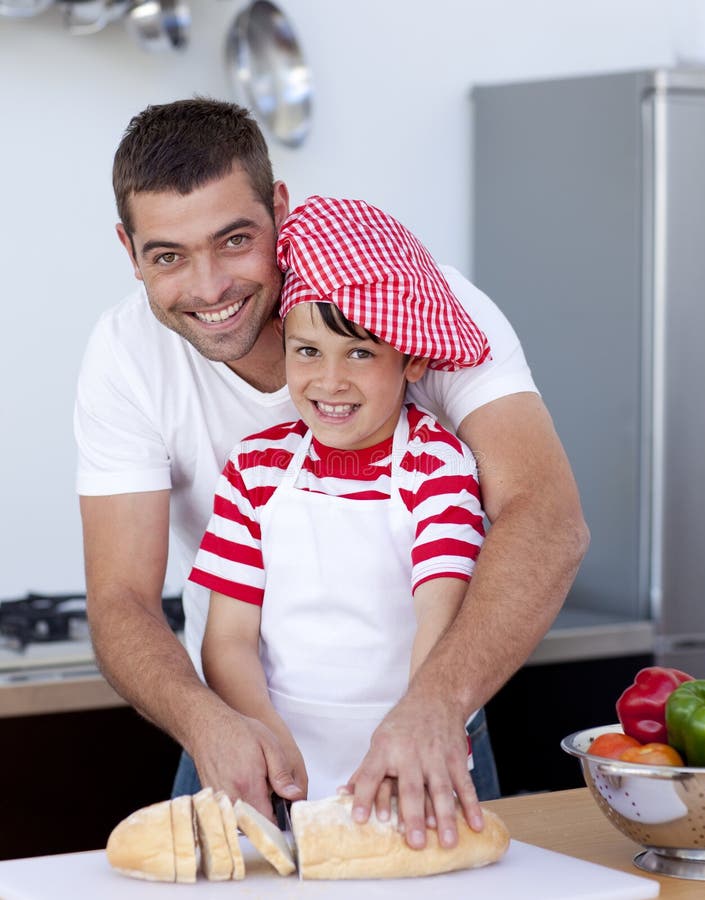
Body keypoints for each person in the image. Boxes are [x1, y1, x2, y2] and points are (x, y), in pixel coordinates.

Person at [74, 97, 588, 851]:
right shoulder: (126, 356)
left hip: (426, 733)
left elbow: (545, 516)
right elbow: (121, 598)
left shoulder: (412, 305)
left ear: (280, 209)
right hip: (238, 739)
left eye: (236, 239)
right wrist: (213, 722)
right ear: (129, 250)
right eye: (168, 255)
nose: (210, 285)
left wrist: (434, 706)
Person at [191, 195, 495, 805]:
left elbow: (443, 625)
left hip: (411, 759)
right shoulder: (256, 466)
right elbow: (227, 638)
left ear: (411, 358)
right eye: (308, 352)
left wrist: (406, 748)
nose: (330, 381)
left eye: (360, 352)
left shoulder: (437, 467)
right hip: (280, 764)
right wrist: (269, 740)